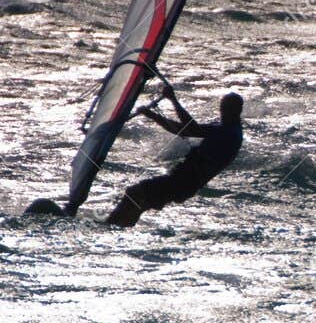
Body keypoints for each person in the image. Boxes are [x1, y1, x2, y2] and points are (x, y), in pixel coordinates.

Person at [105, 84, 244, 227]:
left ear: (235, 111)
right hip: (184, 183)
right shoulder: (227, 128)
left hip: (182, 182)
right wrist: (152, 115)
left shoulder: (229, 133)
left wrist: (173, 100)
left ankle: (108, 226)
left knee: (133, 193)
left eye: (225, 108)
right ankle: (116, 226)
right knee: (139, 204)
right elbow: (183, 130)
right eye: (222, 107)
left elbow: (191, 128)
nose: (222, 111)